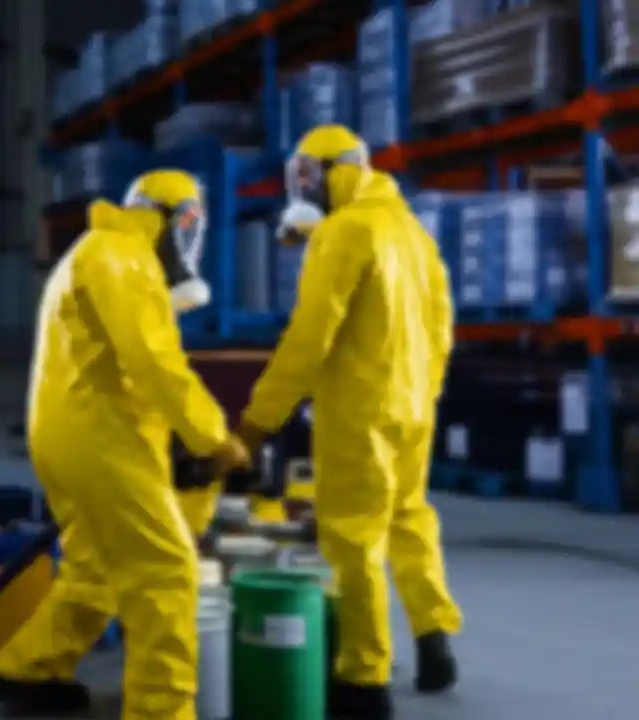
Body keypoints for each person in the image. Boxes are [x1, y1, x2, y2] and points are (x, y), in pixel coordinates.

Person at [0, 169, 249, 719]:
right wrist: (215, 440)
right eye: (189, 225)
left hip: (67, 434)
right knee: (167, 570)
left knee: (96, 567)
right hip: (99, 436)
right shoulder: (122, 255)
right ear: (167, 218)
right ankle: (160, 711)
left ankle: (30, 670)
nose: (191, 242)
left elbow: (128, 364)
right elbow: (153, 363)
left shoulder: (100, 253)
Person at [238, 124, 463, 720]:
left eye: (310, 175)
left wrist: (259, 419)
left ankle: (363, 680)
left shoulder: (343, 232)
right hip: (414, 405)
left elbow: (308, 339)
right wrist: (424, 391)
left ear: (337, 171)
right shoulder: (413, 233)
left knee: (354, 534)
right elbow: (443, 327)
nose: (305, 187)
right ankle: (434, 638)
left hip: (361, 410)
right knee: (410, 519)